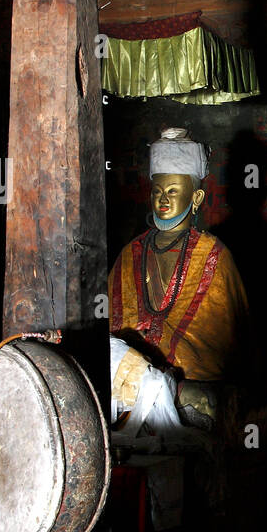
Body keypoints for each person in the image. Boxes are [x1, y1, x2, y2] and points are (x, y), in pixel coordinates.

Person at [108, 128, 252, 429]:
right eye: (157, 191)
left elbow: (229, 345)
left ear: (196, 196)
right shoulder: (130, 254)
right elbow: (113, 331)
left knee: (205, 404)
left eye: (173, 191)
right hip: (133, 381)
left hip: (190, 384)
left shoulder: (214, 255)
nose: (163, 199)